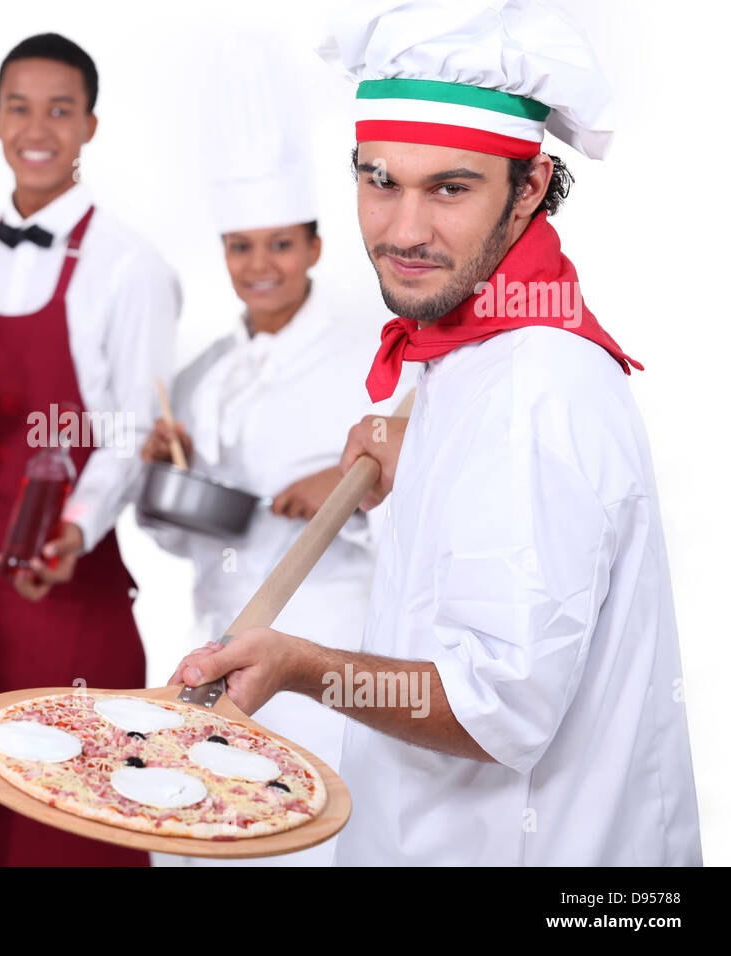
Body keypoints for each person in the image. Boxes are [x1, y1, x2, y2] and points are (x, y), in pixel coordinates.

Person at [174, 0, 702, 866]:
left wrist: (305, 667)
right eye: (380, 180)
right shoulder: (461, 352)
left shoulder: (542, 387)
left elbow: (497, 706)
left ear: (529, 186)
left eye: (449, 188)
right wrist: (417, 457)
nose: (404, 231)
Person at [0, 33, 179, 866]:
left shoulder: (132, 268)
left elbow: (131, 430)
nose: (38, 127)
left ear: (89, 125)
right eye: (20, 106)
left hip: (71, 585)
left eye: (60, 109)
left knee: (77, 832)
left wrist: (74, 529)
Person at [139, 39, 411, 867]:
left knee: (308, 834)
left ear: (317, 247)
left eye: (281, 245)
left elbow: (427, 488)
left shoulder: (372, 352)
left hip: (330, 650)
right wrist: (167, 477)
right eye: (240, 246)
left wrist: (354, 480)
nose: (260, 267)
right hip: (210, 644)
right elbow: (183, 537)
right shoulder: (200, 375)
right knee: (196, 829)